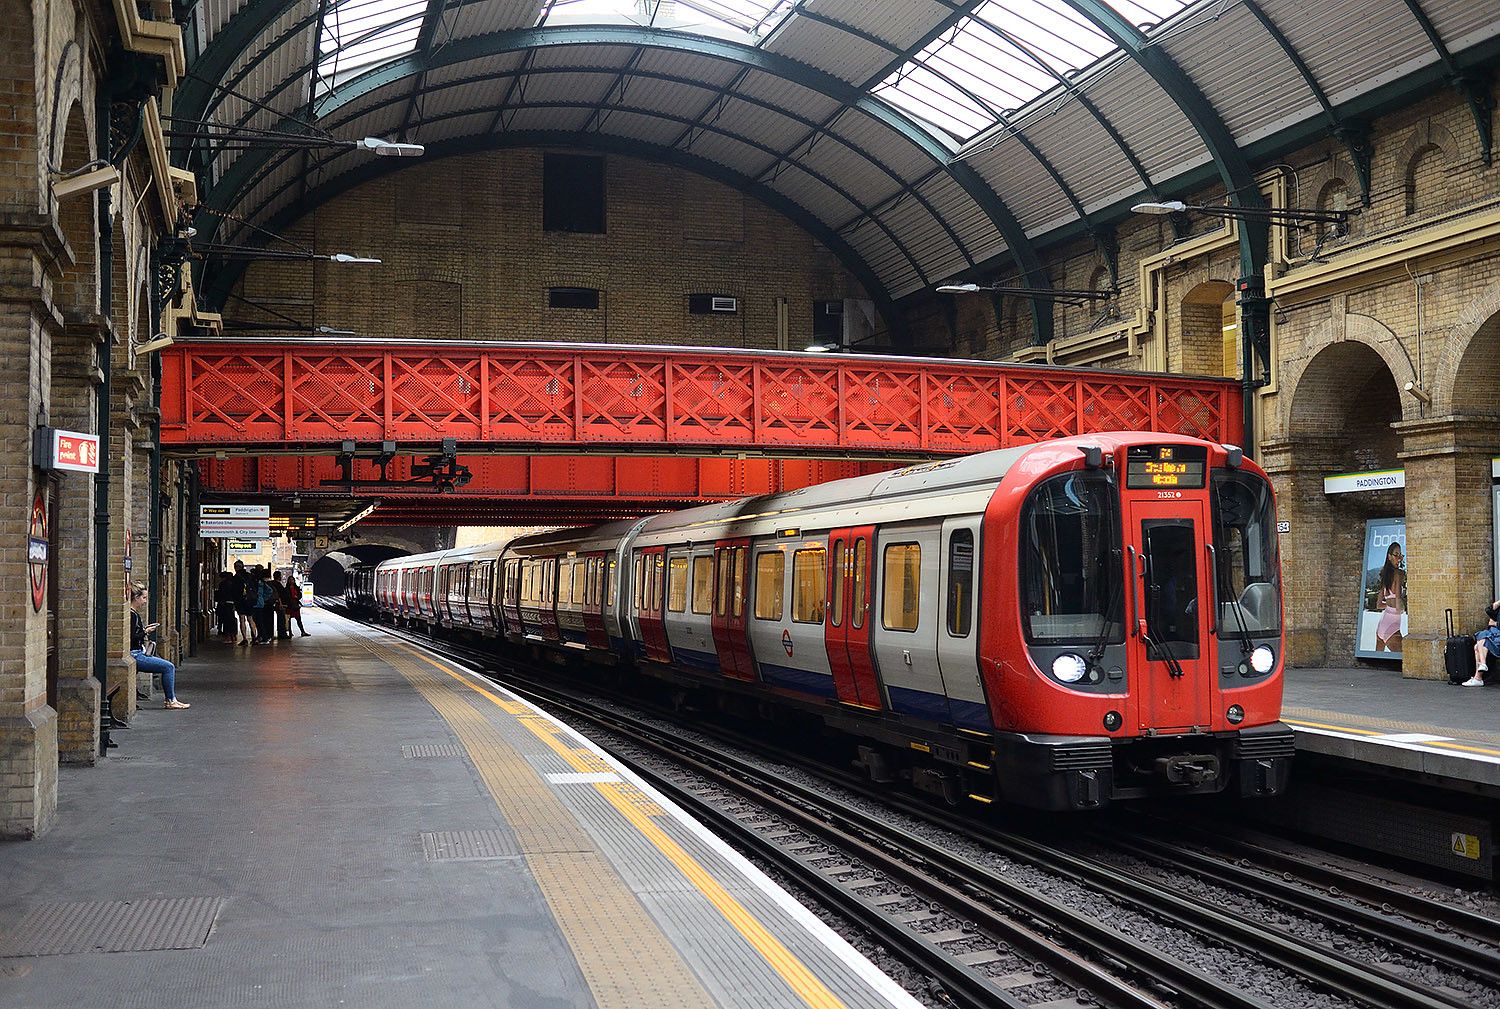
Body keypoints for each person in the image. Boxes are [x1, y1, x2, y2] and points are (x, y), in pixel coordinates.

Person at [131, 587, 188, 709]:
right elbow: (132, 637)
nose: (145, 601)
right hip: (135, 654)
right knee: (168, 667)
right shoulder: (132, 615)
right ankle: (171, 700)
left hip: (137, 652)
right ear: (136, 598)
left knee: (167, 667)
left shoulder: (133, 614)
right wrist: (145, 631)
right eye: (144, 598)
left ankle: (171, 700)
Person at [1374, 542, 1405, 653]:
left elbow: (1378, 605)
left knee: (1378, 663)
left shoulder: (1385, 576)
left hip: (1382, 625)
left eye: (1401, 555)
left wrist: (1389, 604)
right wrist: (1402, 607)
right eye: (1396, 555)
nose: (1400, 558)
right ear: (1389, 556)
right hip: (1392, 627)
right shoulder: (1399, 574)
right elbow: (1398, 603)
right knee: (1404, 660)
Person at [1465, 600, 1500, 687]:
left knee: (1481, 640)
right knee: (1477, 646)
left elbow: (1493, 622)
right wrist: (1499, 602)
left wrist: (1496, 623)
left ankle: (1478, 678)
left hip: (1497, 638)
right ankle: (1480, 671)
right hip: (1493, 635)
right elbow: (1488, 610)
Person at [233, 560, 258, 646]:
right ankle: (254, 637)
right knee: (250, 619)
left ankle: (245, 639)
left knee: (242, 619)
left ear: (236, 567)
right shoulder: (249, 576)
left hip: (240, 601)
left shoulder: (236, 577)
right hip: (250, 600)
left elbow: (235, 591)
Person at [256, 567, 277, 643]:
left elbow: (269, 591)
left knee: (261, 621)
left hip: (263, 604)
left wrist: (263, 598)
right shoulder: (269, 583)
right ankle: (268, 635)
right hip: (268, 604)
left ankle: (264, 636)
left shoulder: (261, 583)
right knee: (267, 620)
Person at [215, 571, 237, 640]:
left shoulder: (222, 584)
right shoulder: (234, 584)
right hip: (232, 603)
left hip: (224, 603)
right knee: (232, 619)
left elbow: (221, 594)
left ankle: (227, 635)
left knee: (226, 620)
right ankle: (233, 635)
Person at [273, 571, 292, 638]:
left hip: (276, 603)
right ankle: (282, 634)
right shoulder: (278, 585)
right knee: (281, 619)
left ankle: (280, 633)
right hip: (280, 604)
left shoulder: (273, 583)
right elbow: (279, 595)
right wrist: (281, 603)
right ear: (279, 577)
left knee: (280, 619)